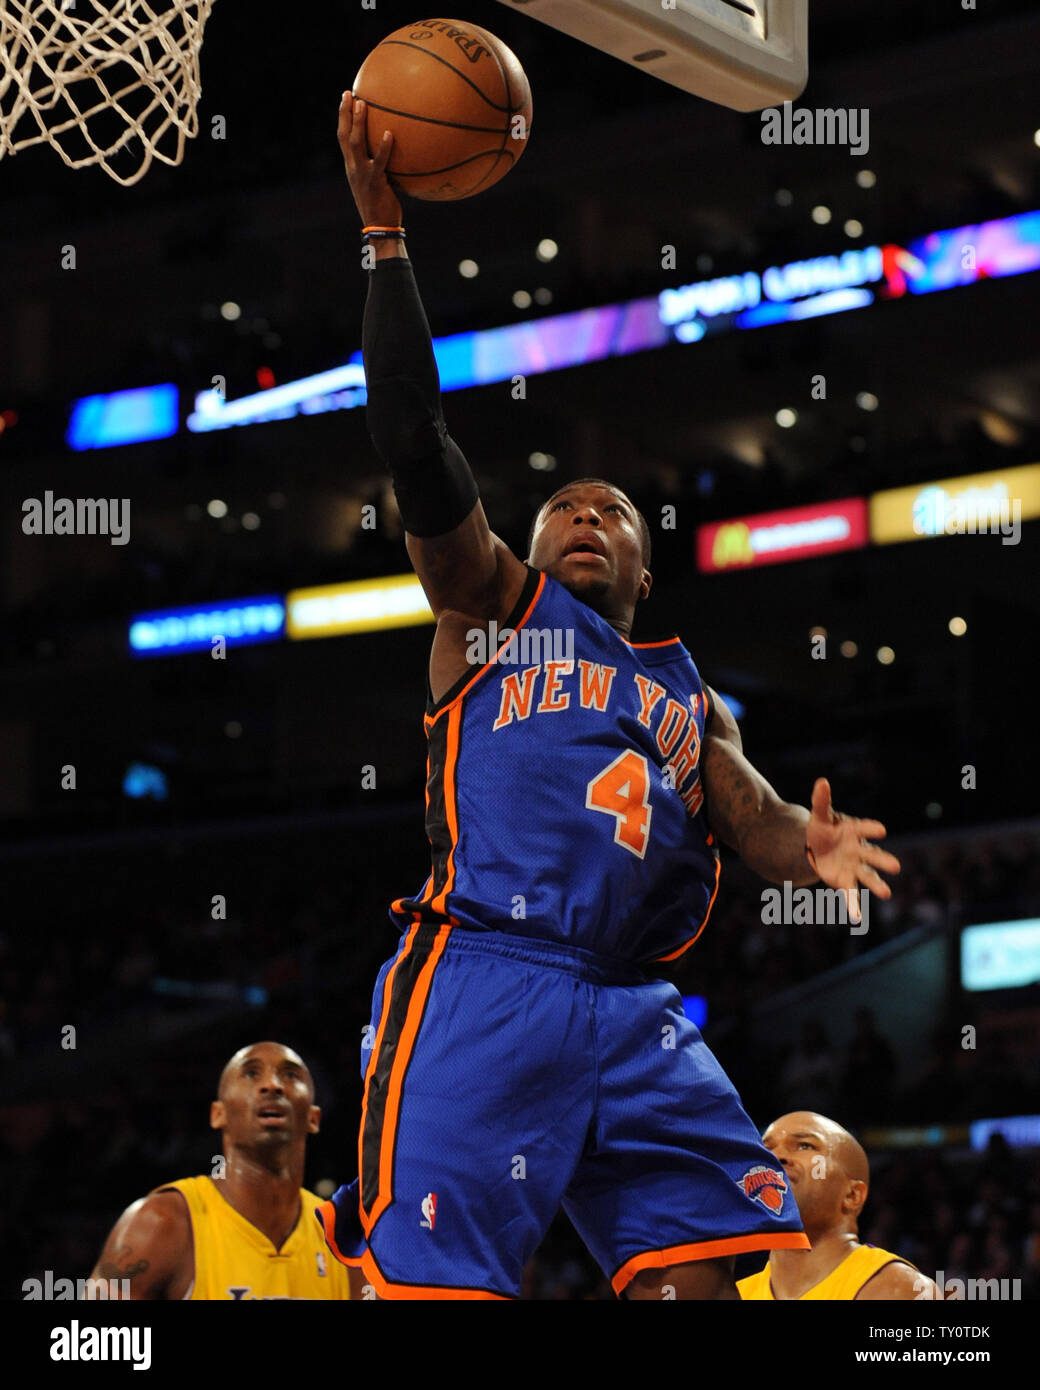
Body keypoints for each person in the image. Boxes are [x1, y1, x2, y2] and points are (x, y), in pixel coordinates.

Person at [319, 91, 902, 1301]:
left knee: (701, 1284)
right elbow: (414, 439)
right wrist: (386, 246)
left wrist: (807, 845)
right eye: (564, 511)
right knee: (437, 1291)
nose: (588, 519)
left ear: (644, 561)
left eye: (614, 514)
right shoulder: (491, 607)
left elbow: (749, 819)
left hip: (634, 1005)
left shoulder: (689, 692)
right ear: (531, 547)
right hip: (486, 968)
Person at [90, 1041, 354, 1299]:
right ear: (218, 1114)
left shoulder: (341, 1239)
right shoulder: (161, 1222)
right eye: (251, 1073)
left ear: (313, 1118)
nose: (272, 1085)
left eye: (289, 1075)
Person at [737, 1111, 937, 1299]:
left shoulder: (897, 1286)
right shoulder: (735, 1293)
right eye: (766, 1148)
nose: (775, 1157)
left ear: (852, 1195)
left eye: (804, 1145)